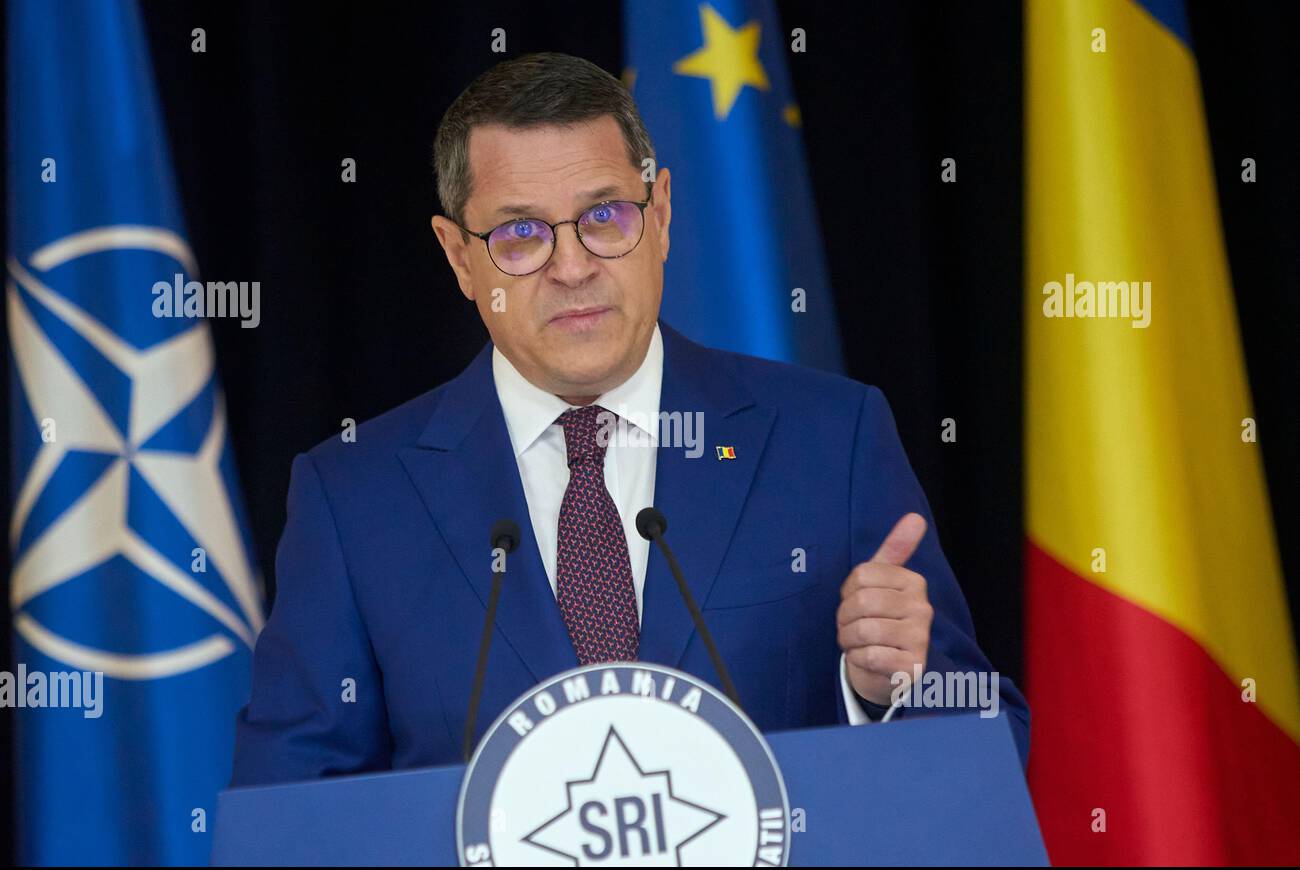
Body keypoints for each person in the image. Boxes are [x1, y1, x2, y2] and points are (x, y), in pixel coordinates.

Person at [230, 52, 1028, 786]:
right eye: (520, 236)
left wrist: (886, 694)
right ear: (458, 258)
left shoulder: (830, 439)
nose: (573, 266)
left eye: (606, 216)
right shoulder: (356, 497)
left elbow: (994, 751)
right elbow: (288, 810)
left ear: (663, 212)